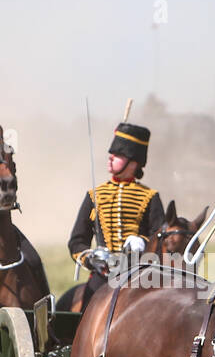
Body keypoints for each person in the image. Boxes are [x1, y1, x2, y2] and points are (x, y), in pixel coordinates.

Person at [66, 121, 164, 300]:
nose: (110, 157)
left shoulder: (150, 196)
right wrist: (90, 258)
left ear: (133, 162)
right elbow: (77, 241)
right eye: (111, 153)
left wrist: (143, 242)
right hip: (102, 276)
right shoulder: (94, 195)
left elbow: (160, 239)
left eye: (118, 154)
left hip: (138, 275)